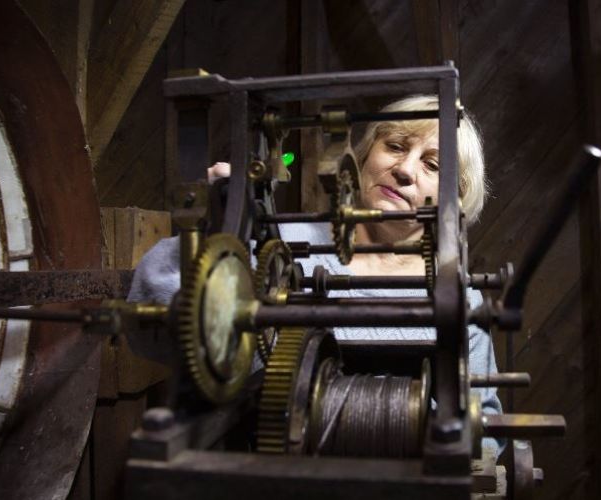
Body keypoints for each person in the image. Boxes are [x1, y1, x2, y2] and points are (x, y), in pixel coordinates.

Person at [128, 94, 504, 456]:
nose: (405, 170)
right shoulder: (278, 242)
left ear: (455, 199)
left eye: (432, 166)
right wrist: (218, 226)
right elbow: (148, 318)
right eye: (395, 145)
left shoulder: (460, 302)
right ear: (364, 154)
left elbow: (484, 436)